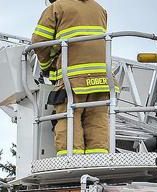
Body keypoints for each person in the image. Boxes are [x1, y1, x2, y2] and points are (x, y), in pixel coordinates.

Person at [34, 0, 110, 156]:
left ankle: (70, 159)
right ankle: (97, 159)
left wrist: (47, 65)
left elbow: (39, 43)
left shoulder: (57, 8)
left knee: (69, 117)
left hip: (73, 78)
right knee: (97, 120)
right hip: (102, 78)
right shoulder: (100, 9)